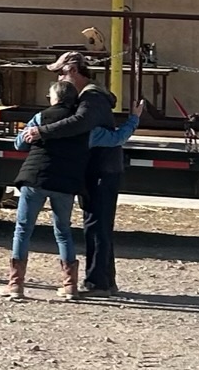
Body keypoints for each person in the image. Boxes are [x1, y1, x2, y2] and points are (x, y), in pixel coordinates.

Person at [47, 50, 139, 296]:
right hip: (104, 167)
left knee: (96, 224)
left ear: (74, 71)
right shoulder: (94, 96)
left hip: (100, 168)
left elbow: (78, 123)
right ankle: (106, 280)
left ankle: (98, 282)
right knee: (99, 223)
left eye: (61, 73)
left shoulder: (91, 99)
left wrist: (44, 130)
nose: (59, 79)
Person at [0, 78, 88, 301]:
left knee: (23, 229)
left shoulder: (41, 117)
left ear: (55, 97)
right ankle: (70, 286)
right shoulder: (80, 122)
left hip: (36, 177)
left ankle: (16, 284)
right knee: (63, 232)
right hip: (65, 181)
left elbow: (20, 143)